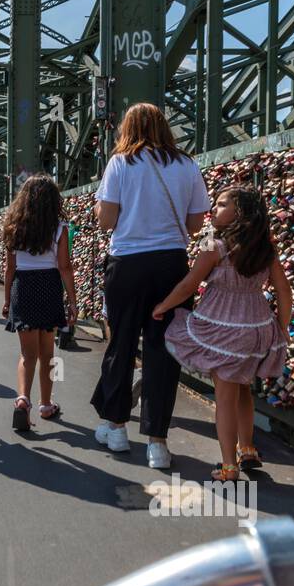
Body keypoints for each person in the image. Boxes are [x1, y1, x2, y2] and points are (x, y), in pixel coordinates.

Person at [91, 102, 210, 469]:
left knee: (121, 344)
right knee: (163, 351)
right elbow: (193, 226)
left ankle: (116, 428)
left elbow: (106, 221)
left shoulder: (120, 163)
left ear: (128, 128)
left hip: (127, 263)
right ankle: (157, 442)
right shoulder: (187, 164)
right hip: (170, 266)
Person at [152, 187, 292, 481]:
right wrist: (281, 327)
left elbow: (191, 283)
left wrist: (163, 305)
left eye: (221, 204)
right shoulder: (265, 247)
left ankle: (229, 466)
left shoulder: (214, 246)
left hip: (223, 330)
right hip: (257, 330)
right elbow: (283, 290)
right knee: (243, 389)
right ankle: (248, 447)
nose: (213, 209)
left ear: (239, 213)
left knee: (225, 397)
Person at [1, 174, 76, 431]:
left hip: (23, 288)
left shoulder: (14, 228)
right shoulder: (59, 229)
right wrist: (73, 302)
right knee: (48, 354)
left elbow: (9, 269)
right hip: (49, 287)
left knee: (27, 354)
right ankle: (46, 404)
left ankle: (23, 399)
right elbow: (65, 267)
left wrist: (7, 299)